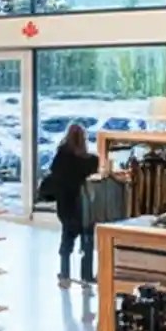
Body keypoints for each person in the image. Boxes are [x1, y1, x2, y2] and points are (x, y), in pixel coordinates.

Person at [49, 123, 99, 289]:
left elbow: (53, 173)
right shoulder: (91, 161)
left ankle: (64, 275)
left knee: (67, 242)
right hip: (85, 206)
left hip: (66, 205)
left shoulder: (61, 158)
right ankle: (87, 276)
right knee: (87, 242)